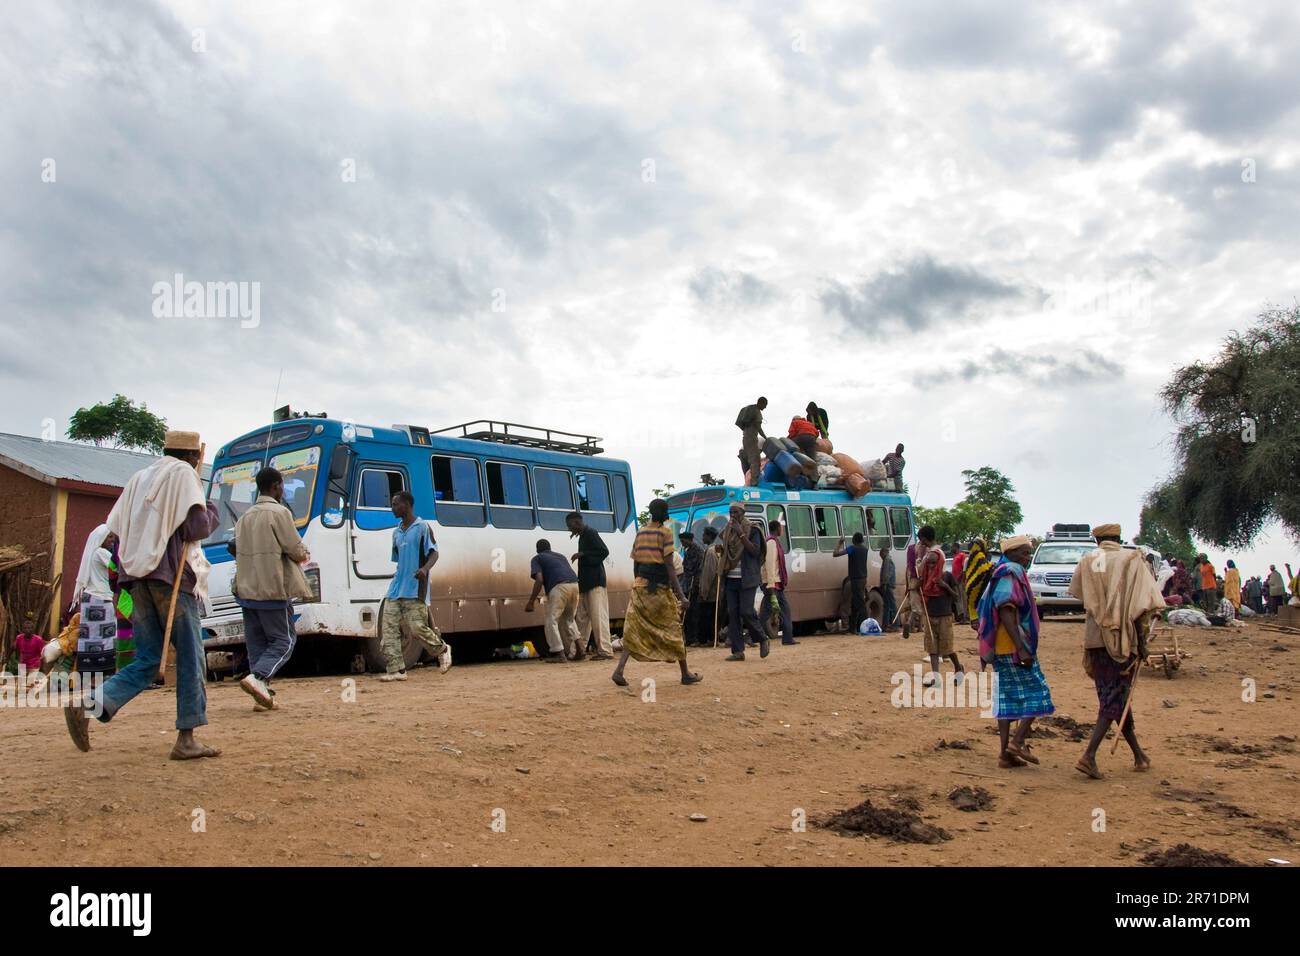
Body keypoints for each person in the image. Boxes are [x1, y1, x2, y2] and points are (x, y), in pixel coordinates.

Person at [64, 430, 220, 760]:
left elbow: (116, 526)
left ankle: (89, 703)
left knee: (148, 660)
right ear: (193, 457)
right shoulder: (184, 475)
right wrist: (211, 508)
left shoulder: (140, 476)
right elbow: (197, 528)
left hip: (137, 579)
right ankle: (187, 738)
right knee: (192, 657)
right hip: (169, 579)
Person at [1069, 524, 1166, 779]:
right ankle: (1089, 756)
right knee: (1114, 698)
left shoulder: (1087, 560)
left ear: (1097, 539)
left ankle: (1139, 755)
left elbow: (1081, 595)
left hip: (1095, 639)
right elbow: (1144, 607)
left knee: (1114, 696)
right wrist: (1143, 643)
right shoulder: (1132, 560)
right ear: (1119, 538)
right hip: (1124, 640)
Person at [230, 466, 316, 710]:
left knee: (257, 645)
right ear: (276, 486)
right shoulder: (279, 513)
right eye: (281, 486)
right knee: (284, 641)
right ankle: (258, 679)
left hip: (247, 590)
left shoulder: (245, 517)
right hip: (272, 588)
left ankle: (262, 693)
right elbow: (296, 549)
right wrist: (304, 552)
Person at [977, 535, 1055, 769]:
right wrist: (1021, 648)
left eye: (1028, 552)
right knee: (1039, 693)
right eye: (1024, 552)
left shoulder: (1001, 570)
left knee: (1006, 699)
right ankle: (1017, 742)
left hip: (1000, 647)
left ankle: (1005, 755)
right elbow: (1006, 610)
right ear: (1011, 553)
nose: (1027, 557)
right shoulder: (1010, 572)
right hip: (1012, 646)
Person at [611, 498, 701, 687]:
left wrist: (638, 583)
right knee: (673, 628)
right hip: (659, 589)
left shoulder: (641, 532)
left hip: (640, 587)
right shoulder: (665, 533)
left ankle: (619, 670)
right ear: (665, 513)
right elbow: (669, 566)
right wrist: (682, 596)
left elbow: (636, 562)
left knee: (634, 629)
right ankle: (685, 674)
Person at [377, 491, 451, 681]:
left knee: (417, 628)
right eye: (392, 504)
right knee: (388, 628)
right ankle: (397, 670)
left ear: (407, 505)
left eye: (395, 504)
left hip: (415, 587)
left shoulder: (422, 527)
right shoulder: (396, 532)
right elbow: (399, 561)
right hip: (396, 589)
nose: (392, 508)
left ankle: (442, 649)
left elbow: (434, 553)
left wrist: (425, 569)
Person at [915, 526, 963, 686]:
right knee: (932, 648)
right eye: (928, 564)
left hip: (944, 614)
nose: (929, 566)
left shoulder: (947, 576)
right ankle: (936, 677)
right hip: (930, 613)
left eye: (932, 564)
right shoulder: (927, 580)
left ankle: (958, 666)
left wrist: (945, 586)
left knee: (947, 648)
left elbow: (957, 597)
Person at [719, 502, 766, 660]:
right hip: (731, 578)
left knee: (746, 611)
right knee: (733, 614)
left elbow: (755, 551)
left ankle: (762, 638)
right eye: (730, 512)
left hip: (747, 577)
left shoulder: (752, 529)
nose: (733, 516)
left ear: (743, 513)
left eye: (736, 512)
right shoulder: (728, 530)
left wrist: (740, 534)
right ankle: (738, 651)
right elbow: (727, 549)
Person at [71, 524, 118, 678]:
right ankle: (104, 671)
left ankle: (89, 671)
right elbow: (117, 567)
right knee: (105, 636)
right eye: (109, 537)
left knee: (90, 637)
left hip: (91, 598)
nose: (112, 540)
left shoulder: (94, 553)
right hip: (101, 598)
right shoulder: (101, 553)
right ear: (101, 539)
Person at [566, 511, 614, 661]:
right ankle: (579, 651)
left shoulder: (591, 533)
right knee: (581, 619)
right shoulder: (583, 535)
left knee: (598, 618)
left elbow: (604, 551)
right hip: (586, 583)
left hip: (595, 582)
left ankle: (605, 651)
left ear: (576, 522)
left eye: (570, 526)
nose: (569, 529)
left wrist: (583, 555)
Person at [526, 538, 582, 662]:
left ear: (537, 549)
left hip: (559, 587)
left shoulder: (537, 558)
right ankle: (580, 649)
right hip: (574, 585)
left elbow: (539, 580)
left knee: (551, 620)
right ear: (550, 548)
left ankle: (559, 654)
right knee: (569, 619)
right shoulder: (560, 556)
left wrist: (531, 601)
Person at [762, 520, 796, 645]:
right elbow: (769, 564)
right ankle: (753, 635)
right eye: (781, 528)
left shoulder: (775, 541)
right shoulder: (771, 543)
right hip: (772, 584)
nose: (782, 530)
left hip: (777, 583)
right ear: (777, 529)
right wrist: (771, 586)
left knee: (783, 610)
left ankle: (787, 638)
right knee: (766, 613)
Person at [833, 532, 871, 633]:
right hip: (863, 579)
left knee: (860, 603)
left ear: (854, 540)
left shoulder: (852, 548)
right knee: (855, 603)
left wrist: (840, 543)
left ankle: (867, 626)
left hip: (855, 579)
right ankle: (852, 627)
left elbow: (835, 554)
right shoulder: (865, 549)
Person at [694, 527, 721, 646]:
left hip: (710, 591)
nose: (702, 537)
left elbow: (708, 574)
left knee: (707, 616)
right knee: (709, 615)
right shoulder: (712, 549)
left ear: (709, 536)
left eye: (704, 535)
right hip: (713, 590)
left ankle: (709, 640)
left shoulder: (711, 551)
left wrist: (704, 591)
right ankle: (709, 639)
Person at [677, 530, 704, 647]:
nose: (682, 543)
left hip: (694, 585)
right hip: (687, 584)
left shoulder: (696, 551)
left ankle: (693, 638)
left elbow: (696, 570)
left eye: (683, 541)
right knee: (687, 613)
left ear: (689, 540)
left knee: (693, 613)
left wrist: (694, 585)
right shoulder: (688, 550)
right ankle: (689, 638)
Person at [735, 397, 769, 487]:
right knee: (755, 461)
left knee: (749, 466)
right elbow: (759, 428)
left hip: (745, 439)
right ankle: (754, 483)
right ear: (760, 402)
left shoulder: (751, 409)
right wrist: (766, 438)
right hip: (751, 438)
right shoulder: (756, 411)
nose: (765, 408)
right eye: (765, 405)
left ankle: (749, 483)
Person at [962, 538, 993, 628]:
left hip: (972, 587)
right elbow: (984, 570)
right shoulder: (981, 557)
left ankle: (979, 627)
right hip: (980, 588)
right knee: (980, 607)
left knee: (974, 607)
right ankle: (981, 628)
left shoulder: (970, 558)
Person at [14, 613, 45, 678]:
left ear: (33, 629)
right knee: (21, 683)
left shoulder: (38, 640)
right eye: (25, 628)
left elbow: (41, 654)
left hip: (34, 665)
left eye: (29, 628)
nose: (27, 630)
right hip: (22, 664)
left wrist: (41, 666)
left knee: (30, 684)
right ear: (23, 629)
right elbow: (16, 649)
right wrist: (18, 660)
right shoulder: (19, 638)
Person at [878, 544, 897, 633]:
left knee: (891, 605)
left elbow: (886, 574)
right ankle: (885, 625)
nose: (881, 557)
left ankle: (895, 625)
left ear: (884, 552)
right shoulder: (888, 559)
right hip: (888, 585)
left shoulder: (887, 560)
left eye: (881, 555)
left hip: (887, 585)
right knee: (887, 605)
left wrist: (884, 584)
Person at [950, 544, 968, 624]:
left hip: (960, 581)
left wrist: (960, 578)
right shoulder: (955, 556)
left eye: (952, 547)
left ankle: (965, 617)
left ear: (956, 547)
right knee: (958, 599)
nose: (951, 548)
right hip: (955, 581)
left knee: (963, 599)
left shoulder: (962, 555)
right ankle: (961, 618)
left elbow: (964, 568)